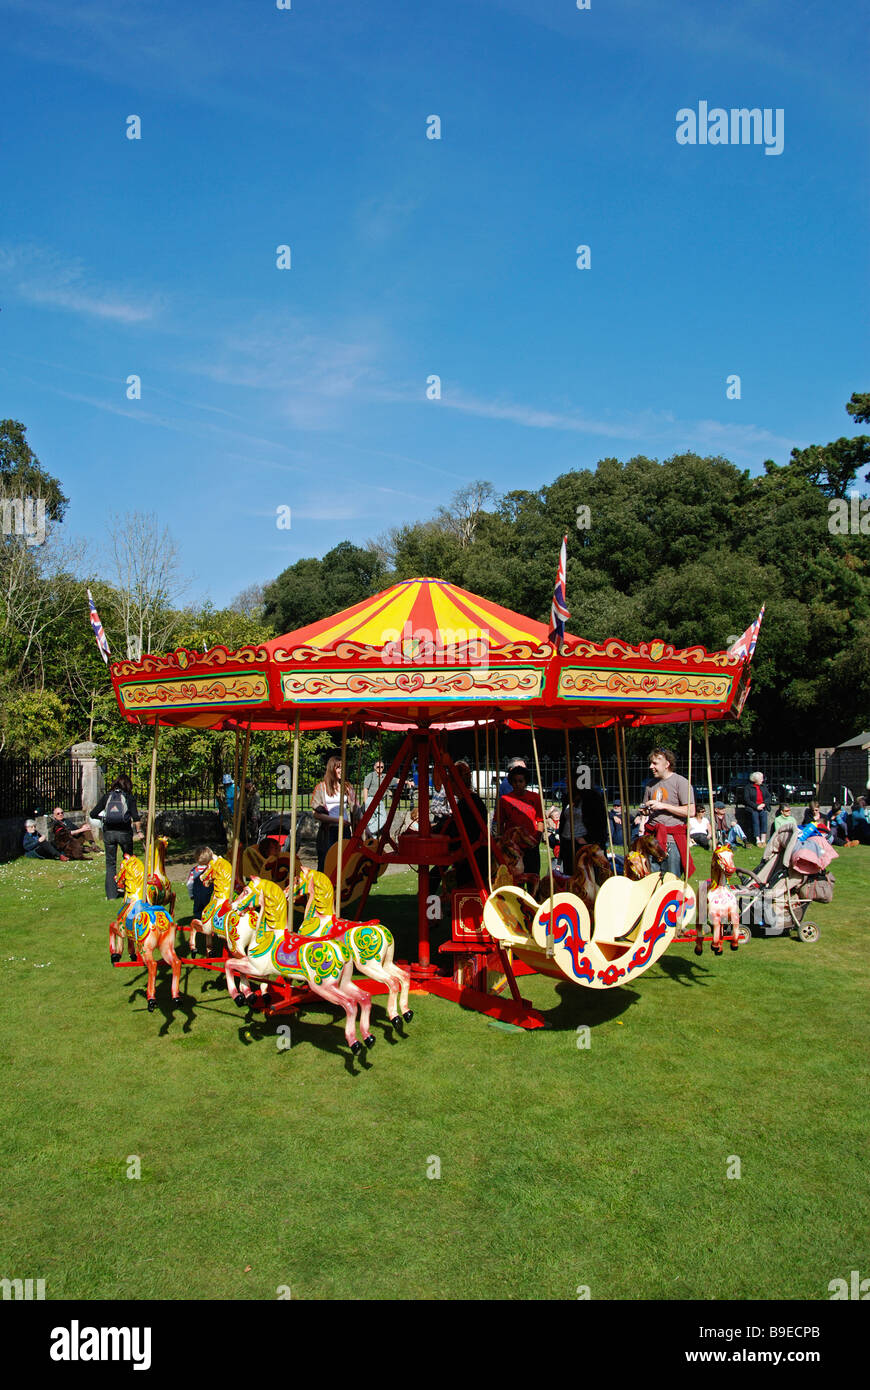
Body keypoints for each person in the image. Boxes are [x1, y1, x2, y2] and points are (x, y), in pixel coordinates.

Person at [639, 747, 694, 876]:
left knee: (670, 880)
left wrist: (664, 806)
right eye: (651, 763)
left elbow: (691, 811)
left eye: (655, 763)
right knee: (650, 879)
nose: (651, 766)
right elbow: (646, 811)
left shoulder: (681, 783)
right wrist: (645, 811)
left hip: (671, 840)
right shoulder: (650, 784)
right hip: (652, 839)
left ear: (667, 764)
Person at [90, 775, 143, 900]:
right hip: (124, 833)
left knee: (110, 864)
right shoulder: (129, 797)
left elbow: (93, 814)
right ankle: (130, 891)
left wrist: (104, 818)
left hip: (109, 833)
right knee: (129, 863)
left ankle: (111, 895)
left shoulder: (107, 796)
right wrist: (139, 831)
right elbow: (135, 817)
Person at [441, 760, 489, 888]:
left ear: (455, 782)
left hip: (473, 856)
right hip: (472, 853)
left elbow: (460, 830)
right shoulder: (469, 800)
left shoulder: (468, 802)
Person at [310, 755, 359, 871]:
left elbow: (356, 808)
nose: (341, 770)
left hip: (345, 830)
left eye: (342, 767)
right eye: (338, 767)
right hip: (329, 831)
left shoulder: (347, 787)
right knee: (326, 862)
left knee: (345, 863)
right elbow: (316, 813)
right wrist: (337, 820)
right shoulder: (321, 788)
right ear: (331, 769)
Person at [496, 763, 544, 876]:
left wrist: (537, 837)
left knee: (532, 874)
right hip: (513, 846)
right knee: (514, 876)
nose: (517, 784)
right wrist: (504, 840)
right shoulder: (505, 800)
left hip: (530, 844)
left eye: (520, 781)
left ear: (526, 782)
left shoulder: (535, 798)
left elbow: (540, 820)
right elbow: (500, 822)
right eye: (515, 781)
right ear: (511, 782)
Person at [742, 771, 772, 846]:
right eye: (761, 778)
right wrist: (756, 806)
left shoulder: (763, 786)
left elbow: (769, 797)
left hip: (762, 807)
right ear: (756, 779)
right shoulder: (748, 787)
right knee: (755, 819)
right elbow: (747, 799)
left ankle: (763, 839)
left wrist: (764, 804)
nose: (762, 780)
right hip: (753, 808)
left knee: (764, 818)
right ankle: (757, 839)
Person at [186, 847, 215, 919]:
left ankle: (198, 923)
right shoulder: (212, 869)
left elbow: (189, 884)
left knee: (198, 910)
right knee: (210, 909)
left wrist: (191, 894)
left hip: (197, 895)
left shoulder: (194, 871)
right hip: (209, 894)